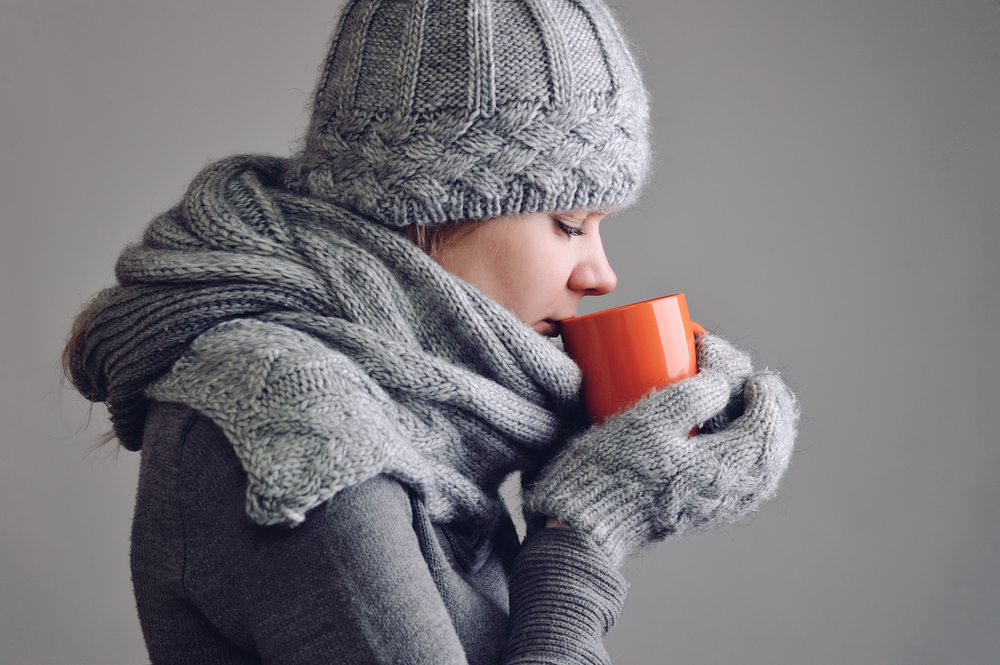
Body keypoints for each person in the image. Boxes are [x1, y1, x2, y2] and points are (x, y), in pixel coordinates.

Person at [64, 1, 799, 663]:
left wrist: (622, 450)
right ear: (432, 204)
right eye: (570, 224)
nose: (600, 273)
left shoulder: (415, 409)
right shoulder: (293, 417)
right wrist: (588, 525)